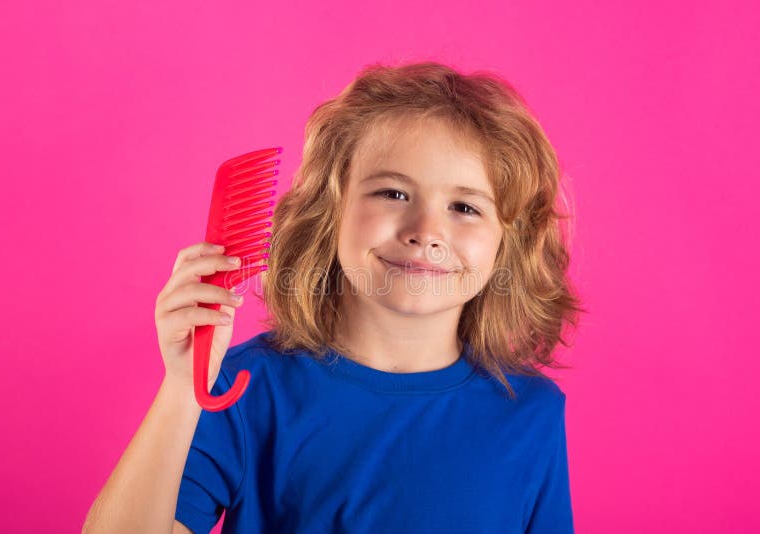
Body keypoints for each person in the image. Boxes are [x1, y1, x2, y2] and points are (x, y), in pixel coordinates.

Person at [83, 60, 586, 534]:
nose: (426, 231)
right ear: (330, 211)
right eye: (393, 193)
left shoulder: (530, 412)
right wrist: (180, 389)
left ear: (507, 241)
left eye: (464, 206)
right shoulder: (245, 390)